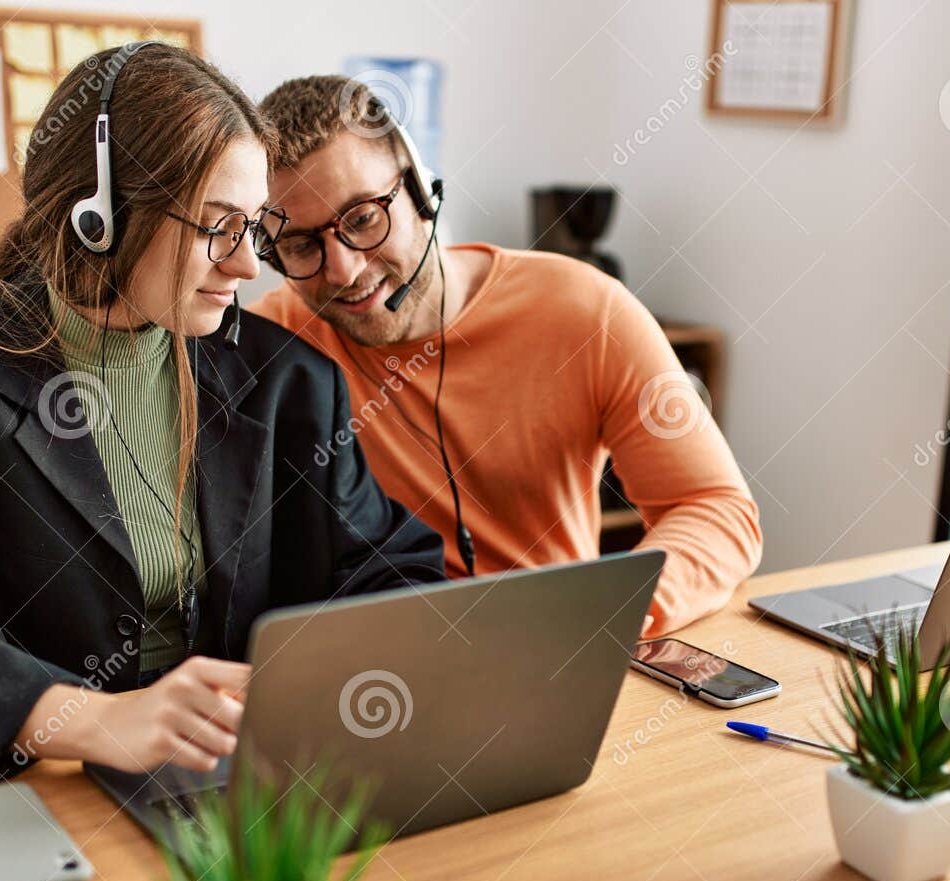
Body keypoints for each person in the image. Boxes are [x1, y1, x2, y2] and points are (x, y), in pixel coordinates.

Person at [0, 44, 446, 781]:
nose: (245, 268)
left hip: (250, 783)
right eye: (216, 227)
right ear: (98, 219)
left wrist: (315, 686)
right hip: (38, 791)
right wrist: (96, 718)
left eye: (253, 229)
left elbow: (395, 570)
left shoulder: (288, 379)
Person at [253, 75, 763, 636]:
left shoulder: (586, 310)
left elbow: (715, 509)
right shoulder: (268, 344)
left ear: (421, 189)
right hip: (379, 674)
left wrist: (605, 616)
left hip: (558, 650)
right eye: (302, 245)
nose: (344, 269)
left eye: (363, 218)